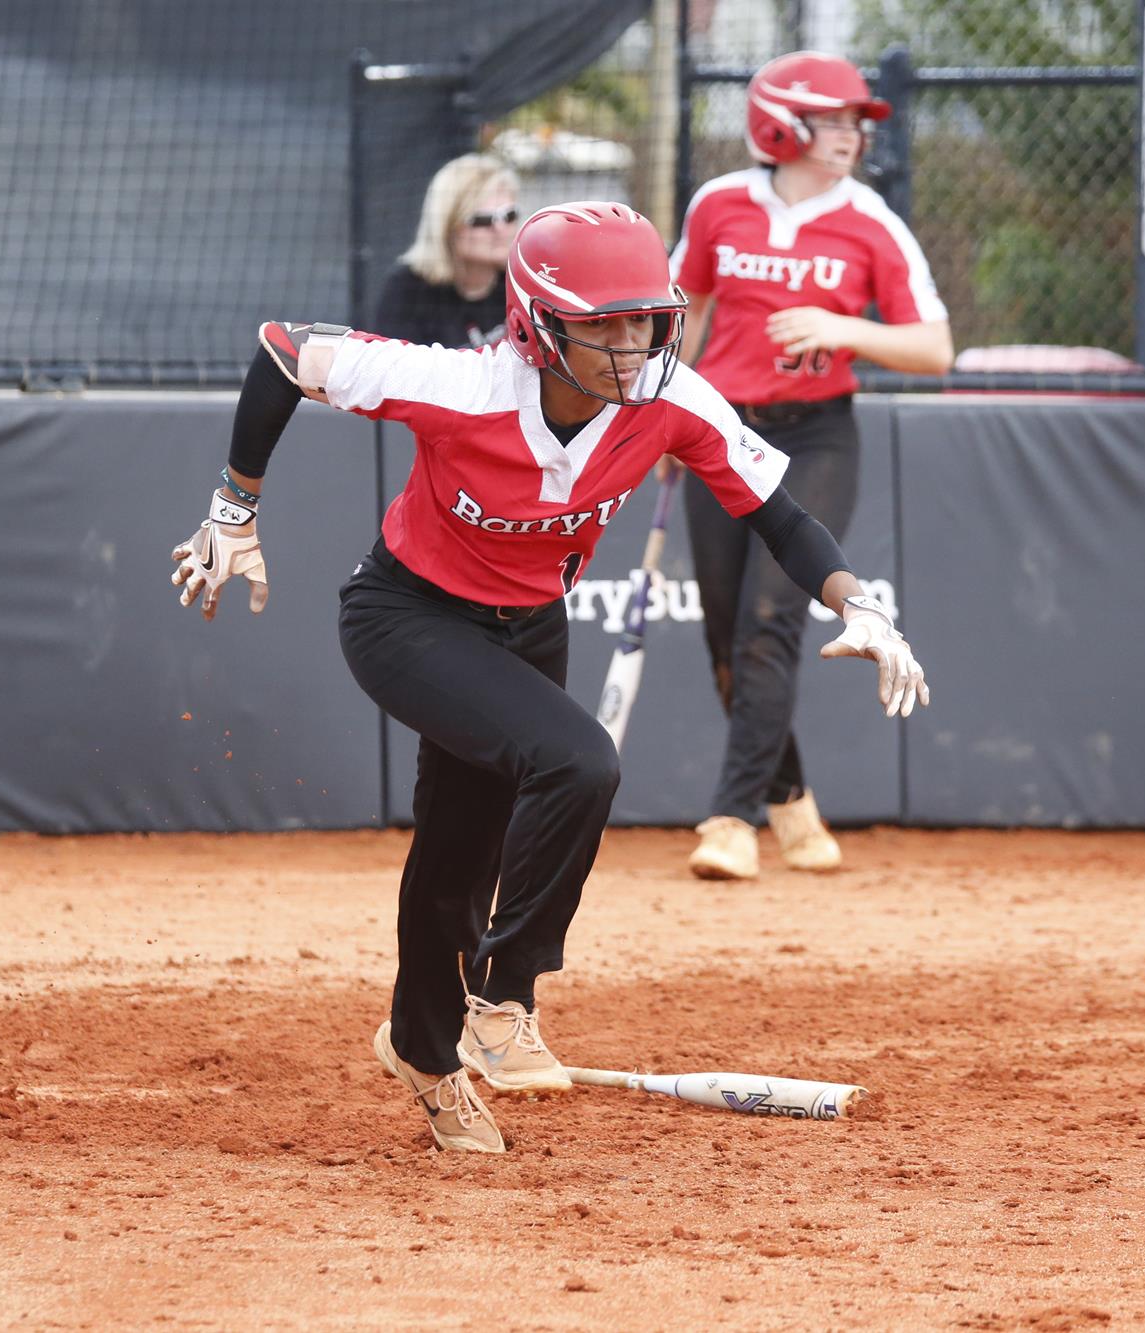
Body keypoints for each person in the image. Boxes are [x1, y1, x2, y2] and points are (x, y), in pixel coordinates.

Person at [169, 201, 929, 1154]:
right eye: (602, 324)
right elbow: (285, 350)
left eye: (644, 320)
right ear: (536, 325)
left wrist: (859, 606)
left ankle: (424, 1051)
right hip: (408, 615)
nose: (630, 346)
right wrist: (233, 508)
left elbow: (780, 514)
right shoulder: (465, 384)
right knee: (581, 761)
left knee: (460, 851)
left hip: (529, 624)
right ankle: (504, 1002)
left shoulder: (673, 400)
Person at [667, 50, 954, 882]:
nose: (851, 136)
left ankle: (732, 819)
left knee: (769, 621)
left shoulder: (871, 221)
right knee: (726, 636)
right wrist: (656, 417)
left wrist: (845, 329)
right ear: (780, 125)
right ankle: (791, 801)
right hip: (721, 432)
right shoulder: (719, 204)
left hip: (816, 437)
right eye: (833, 121)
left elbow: (934, 347)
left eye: (858, 123)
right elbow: (683, 316)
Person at [369, 153, 521, 349]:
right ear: (448, 226)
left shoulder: (524, 281)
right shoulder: (408, 289)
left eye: (509, 215)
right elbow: (394, 364)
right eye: (482, 220)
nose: (500, 229)